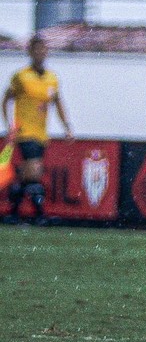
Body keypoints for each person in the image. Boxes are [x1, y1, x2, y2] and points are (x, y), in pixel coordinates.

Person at [3, 35, 74, 224]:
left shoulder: (52, 79)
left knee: (28, 176)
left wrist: (67, 126)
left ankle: (13, 214)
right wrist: (9, 125)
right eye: (36, 50)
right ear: (30, 52)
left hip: (41, 134)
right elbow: (6, 99)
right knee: (35, 171)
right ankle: (40, 215)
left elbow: (58, 103)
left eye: (43, 50)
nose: (40, 53)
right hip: (24, 132)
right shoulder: (21, 76)